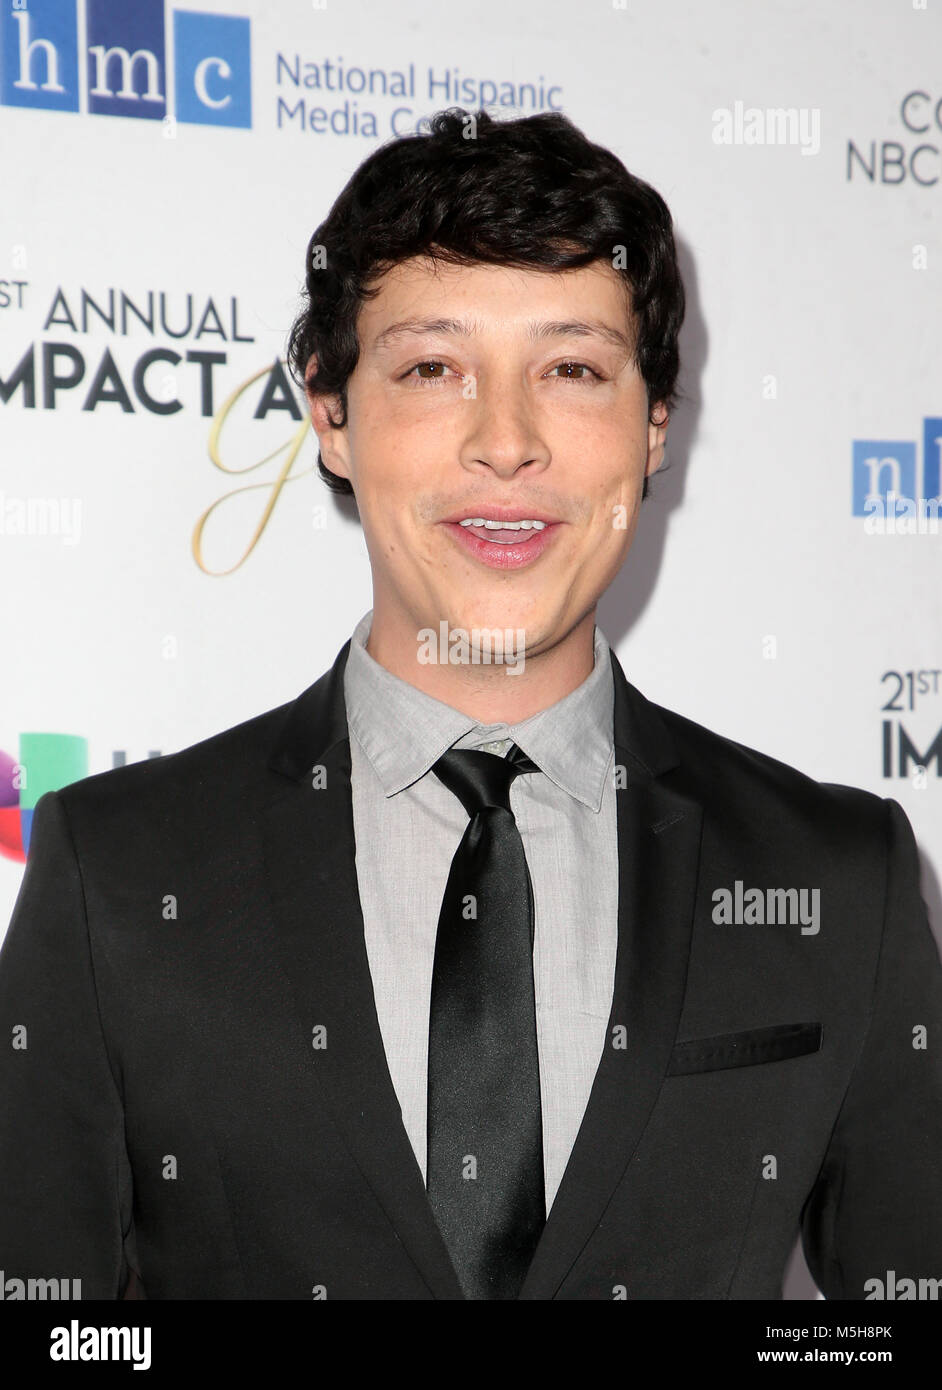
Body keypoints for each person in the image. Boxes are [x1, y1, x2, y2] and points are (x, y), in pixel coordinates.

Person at [1, 108, 941, 1301]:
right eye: (434, 368)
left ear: (655, 426)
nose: (507, 441)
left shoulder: (836, 875)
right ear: (332, 415)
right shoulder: (116, 873)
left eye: (574, 370)